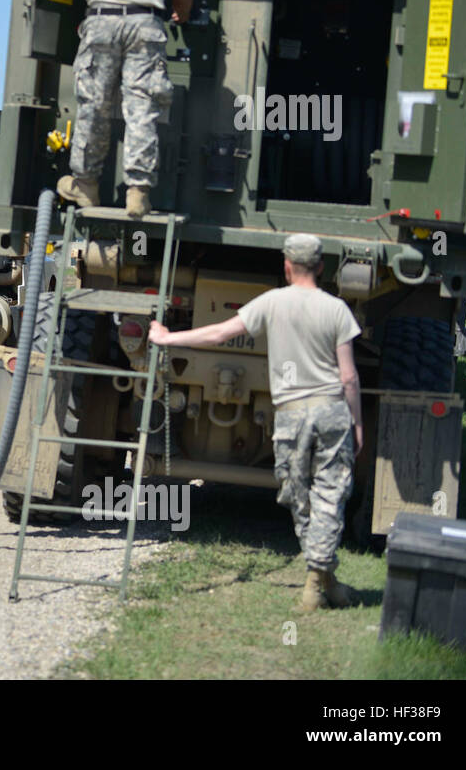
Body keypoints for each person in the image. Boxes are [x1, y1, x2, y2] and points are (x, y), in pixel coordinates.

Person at [147, 234, 364, 611]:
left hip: (291, 413)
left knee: (298, 496)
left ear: (286, 266)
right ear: (322, 267)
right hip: (330, 410)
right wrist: (357, 423)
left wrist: (168, 337)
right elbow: (349, 377)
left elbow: (218, 334)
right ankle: (322, 578)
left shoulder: (271, 302)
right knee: (330, 495)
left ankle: (319, 579)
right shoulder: (337, 309)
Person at [50, 0, 197, 218]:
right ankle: (138, 193)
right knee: (142, 107)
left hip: (101, 20)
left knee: (93, 104)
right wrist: (180, 12)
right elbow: (183, 1)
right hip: (146, 22)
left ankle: (85, 184)